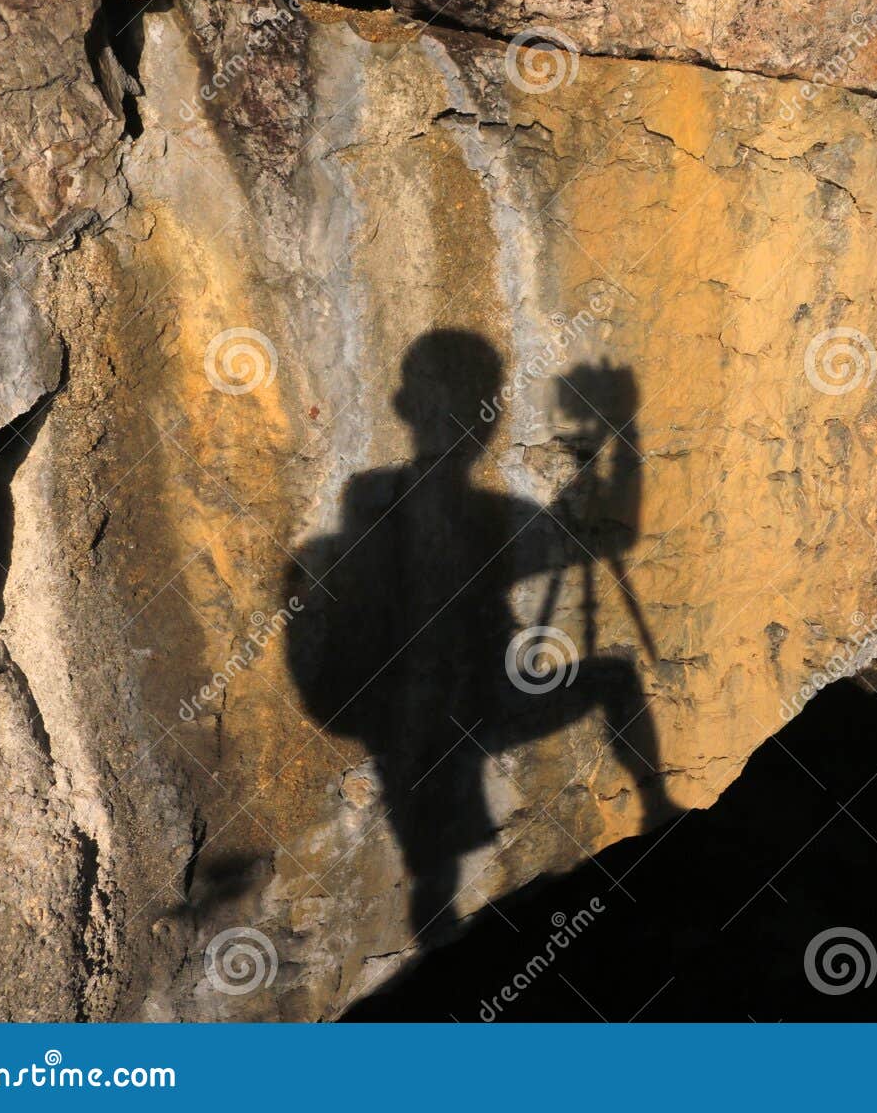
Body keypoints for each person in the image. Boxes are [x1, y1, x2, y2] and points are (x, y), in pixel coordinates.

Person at [286, 330, 671, 942]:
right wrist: (623, 437)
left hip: (407, 714)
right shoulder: (480, 514)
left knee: (436, 872)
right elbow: (606, 539)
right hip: (470, 705)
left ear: (403, 407)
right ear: (486, 421)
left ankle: (434, 900)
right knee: (615, 678)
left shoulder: (374, 503)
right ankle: (659, 813)